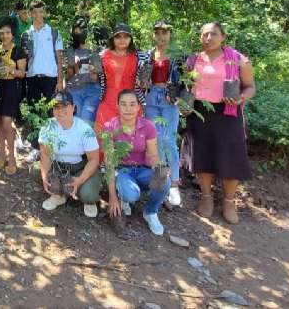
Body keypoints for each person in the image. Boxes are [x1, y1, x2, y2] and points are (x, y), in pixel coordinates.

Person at [185, 22, 256, 224]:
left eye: (213, 34)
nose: (208, 38)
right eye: (204, 34)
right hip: (199, 113)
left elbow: (250, 87)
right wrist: (185, 104)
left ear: (223, 36)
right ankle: (206, 197)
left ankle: (228, 201)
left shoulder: (238, 60)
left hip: (228, 113)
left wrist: (241, 98)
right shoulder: (193, 60)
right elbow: (188, 87)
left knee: (231, 157)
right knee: (202, 155)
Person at [104, 90, 171, 236]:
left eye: (132, 104)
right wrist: (112, 197)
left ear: (138, 107)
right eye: (124, 104)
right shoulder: (110, 127)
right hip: (122, 171)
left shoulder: (148, 126)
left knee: (164, 179)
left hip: (142, 169)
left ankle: (150, 212)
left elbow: (152, 155)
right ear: (117, 106)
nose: (128, 109)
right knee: (131, 195)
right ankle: (123, 194)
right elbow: (109, 163)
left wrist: (160, 169)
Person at [32, 91, 102, 218]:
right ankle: (59, 195)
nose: (60, 110)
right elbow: (46, 155)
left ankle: (88, 200)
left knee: (88, 194)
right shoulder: (47, 126)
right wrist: (44, 177)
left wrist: (80, 180)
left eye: (65, 106)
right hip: (58, 166)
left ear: (73, 107)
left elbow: (94, 160)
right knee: (37, 170)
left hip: (80, 167)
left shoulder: (84, 129)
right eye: (56, 107)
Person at [142, 21, 183, 207]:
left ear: (170, 34)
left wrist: (182, 97)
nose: (161, 36)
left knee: (168, 139)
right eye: (157, 32)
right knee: (154, 139)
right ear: (153, 35)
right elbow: (141, 78)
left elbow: (187, 80)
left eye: (165, 32)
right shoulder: (148, 55)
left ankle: (174, 182)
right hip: (151, 98)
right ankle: (160, 180)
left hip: (169, 99)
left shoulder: (178, 56)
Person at [20, 0, 64, 161]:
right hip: (32, 78)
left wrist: (60, 81)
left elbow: (60, 59)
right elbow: (24, 59)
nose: (38, 15)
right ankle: (35, 148)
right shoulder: (26, 34)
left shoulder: (53, 32)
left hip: (50, 78)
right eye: (35, 12)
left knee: (53, 113)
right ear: (30, 14)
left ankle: (53, 149)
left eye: (41, 12)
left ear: (44, 12)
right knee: (34, 113)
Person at [93, 23, 145, 138]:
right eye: (118, 36)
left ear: (131, 39)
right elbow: (96, 79)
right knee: (104, 137)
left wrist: (144, 82)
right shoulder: (102, 55)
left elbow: (145, 81)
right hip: (108, 101)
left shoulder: (140, 56)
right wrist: (93, 72)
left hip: (130, 103)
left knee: (130, 139)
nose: (122, 40)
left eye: (126, 36)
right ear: (113, 38)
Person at [0, 19, 27, 175]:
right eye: (2, 33)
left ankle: (12, 159)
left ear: (12, 35)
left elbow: (22, 73)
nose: (4, 35)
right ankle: (2, 156)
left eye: (7, 33)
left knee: (6, 124)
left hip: (11, 88)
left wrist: (10, 70)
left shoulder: (18, 50)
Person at [66, 18, 101, 124]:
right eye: (76, 32)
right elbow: (70, 75)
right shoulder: (70, 51)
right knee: (76, 121)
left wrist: (93, 69)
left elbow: (98, 76)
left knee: (87, 120)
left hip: (92, 90)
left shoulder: (95, 50)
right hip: (75, 90)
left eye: (81, 30)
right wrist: (72, 65)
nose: (79, 34)